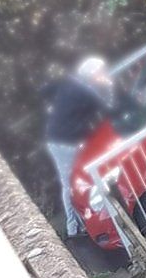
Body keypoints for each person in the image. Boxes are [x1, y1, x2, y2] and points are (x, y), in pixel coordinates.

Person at [43, 55, 114, 238]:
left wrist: (54, 109)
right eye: (101, 72)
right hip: (65, 142)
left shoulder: (69, 83)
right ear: (92, 75)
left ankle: (77, 225)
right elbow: (108, 109)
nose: (104, 74)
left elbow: (46, 90)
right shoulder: (86, 92)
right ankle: (74, 228)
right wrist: (108, 86)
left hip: (58, 138)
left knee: (71, 182)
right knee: (71, 183)